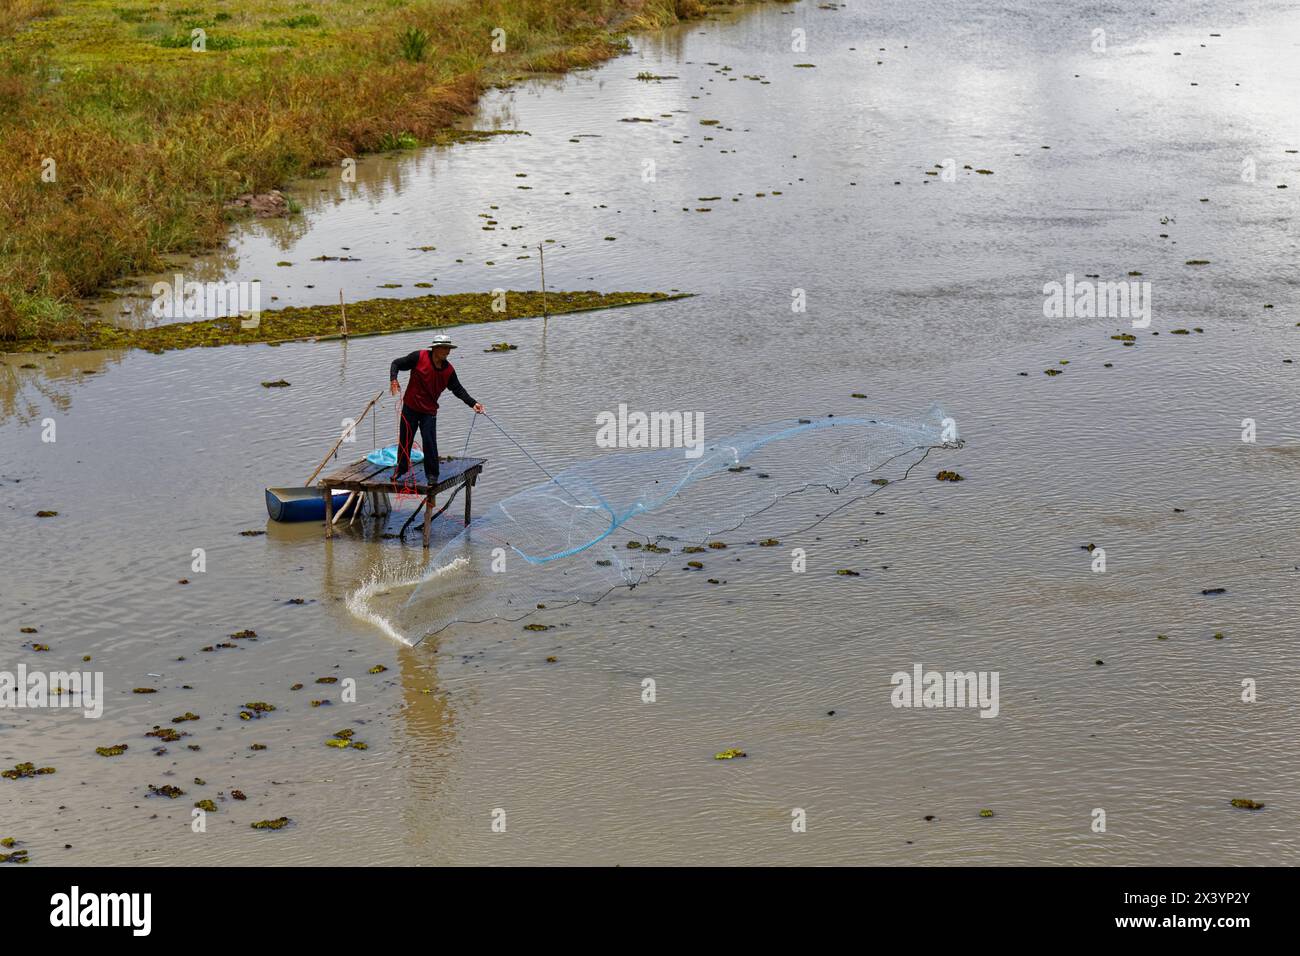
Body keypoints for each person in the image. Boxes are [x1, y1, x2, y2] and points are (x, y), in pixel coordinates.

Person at [389, 333, 484, 487]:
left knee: (429, 442)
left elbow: (458, 389)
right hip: (410, 407)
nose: (448, 351)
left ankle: (432, 475)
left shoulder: (449, 371)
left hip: (429, 411)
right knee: (405, 440)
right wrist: (394, 379)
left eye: (449, 348)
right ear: (435, 348)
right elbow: (396, 363)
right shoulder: (418, 357)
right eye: (445, 348)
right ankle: (401, 470)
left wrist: (473, 403)